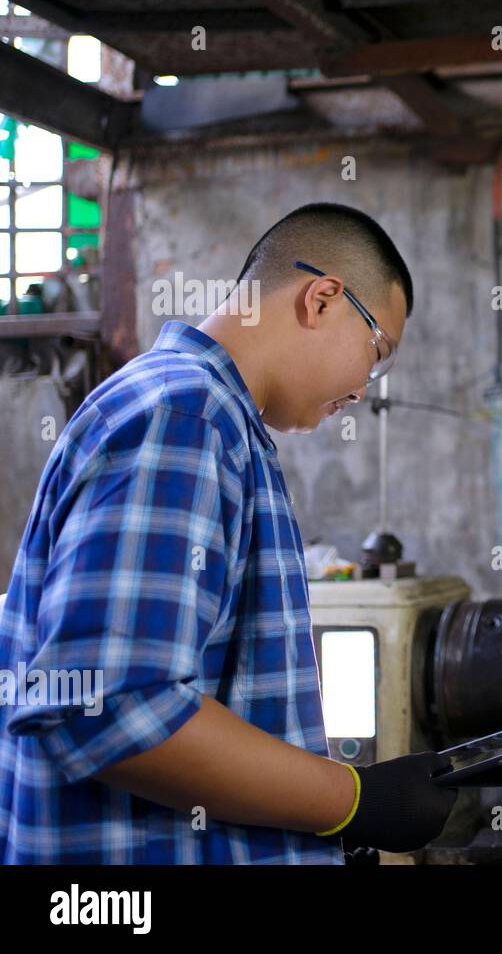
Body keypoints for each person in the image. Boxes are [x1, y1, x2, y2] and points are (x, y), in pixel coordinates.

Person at [0, 203, 455, 863]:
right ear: (323, 298)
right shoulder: (185, 417)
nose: (363, 389)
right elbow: (108, 705)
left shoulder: (209, 420)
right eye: (376, 352)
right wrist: (350, 800)